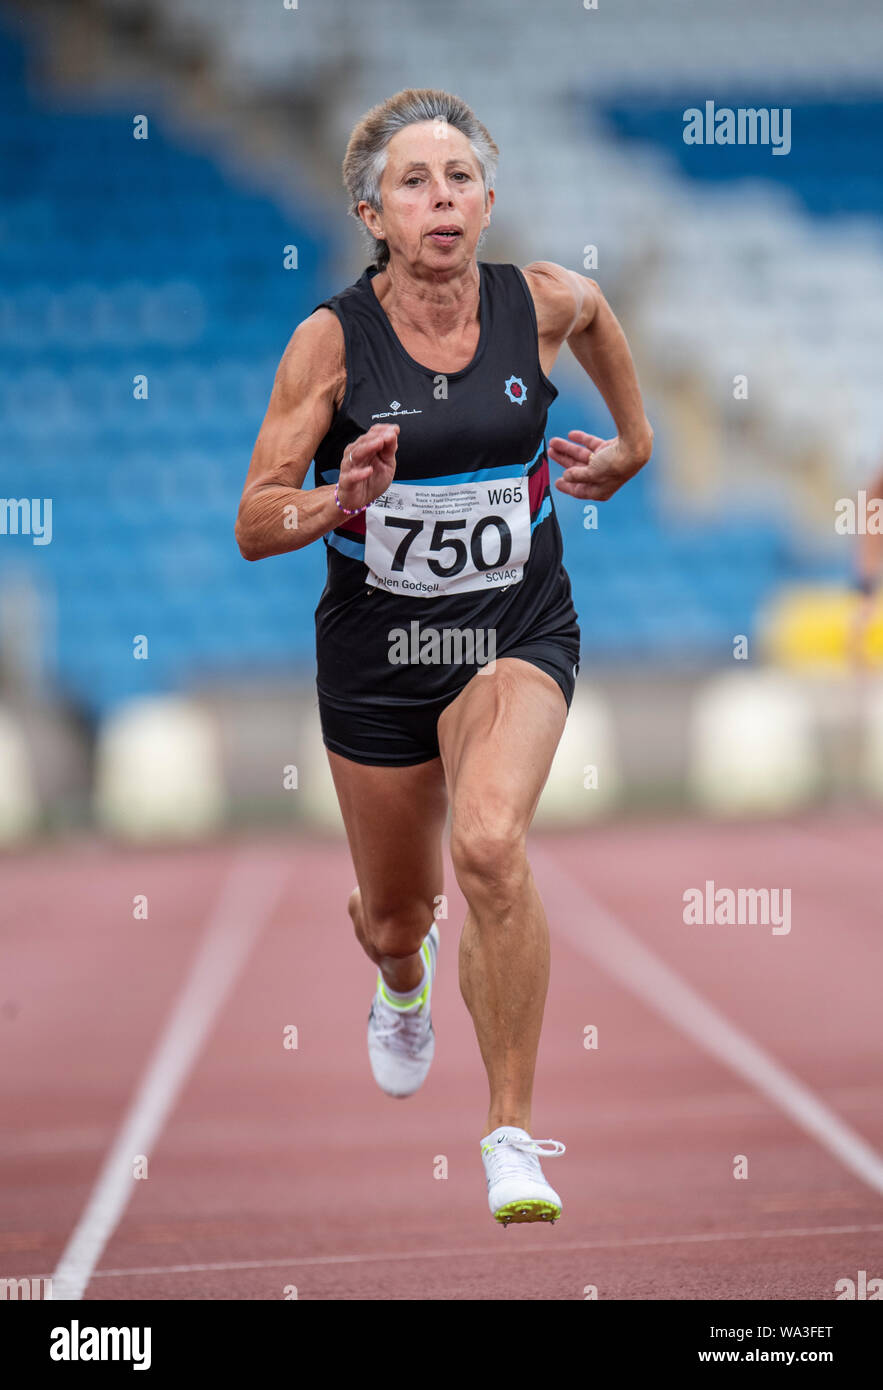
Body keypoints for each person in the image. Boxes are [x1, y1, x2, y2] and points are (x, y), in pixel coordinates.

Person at [235, 88, 653, 1226]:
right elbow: (254, 521)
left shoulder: (542, 301)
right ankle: (399, 981)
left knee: (488, 846)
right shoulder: (329, 340)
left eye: (460, 178)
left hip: (511, 627)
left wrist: (633, 442)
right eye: (415, 183)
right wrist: (340, 498)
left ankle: (509, 1135)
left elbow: (604, 316)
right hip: (378, 650)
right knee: (393, 912)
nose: (442, 200)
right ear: (372, 210)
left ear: (489, 196)